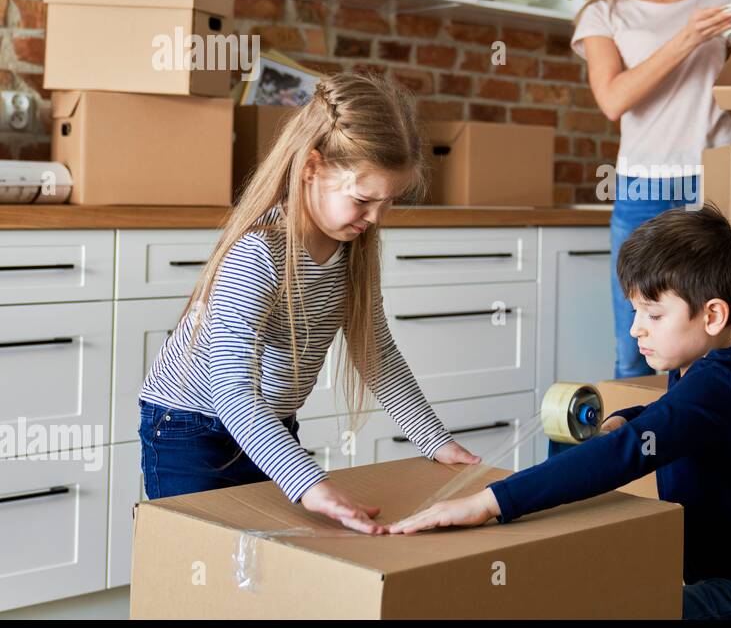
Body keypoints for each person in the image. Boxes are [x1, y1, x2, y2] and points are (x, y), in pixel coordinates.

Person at [387, 204, 731, 621]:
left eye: (654, 314)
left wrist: (488, 502)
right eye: (635, 310)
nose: (636, 328)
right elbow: (670, 415)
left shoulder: (719, 386)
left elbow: (624, 455)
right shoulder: (703, 374)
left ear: (713, 315)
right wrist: (629, 417)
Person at [138, 70, 479, 533]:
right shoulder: (259, 255)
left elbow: (374, 353)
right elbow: (231, 389)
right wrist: (309, 482)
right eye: (363, 200)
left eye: (388, 203)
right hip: (190, 430)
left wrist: (435, 440)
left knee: (266, 570)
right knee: (203, 566)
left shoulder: (352, 251)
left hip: (267, 425)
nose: (375, 218)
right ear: (312, 168)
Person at [571, 0, 731, 381]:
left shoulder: (720, 5)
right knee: (638, 350)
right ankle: (643, 460)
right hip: (646, 189)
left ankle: (702, 457)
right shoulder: (605, 14)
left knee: (716, 341)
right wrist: (686, 39)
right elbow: (613, 99)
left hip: (717, 182)